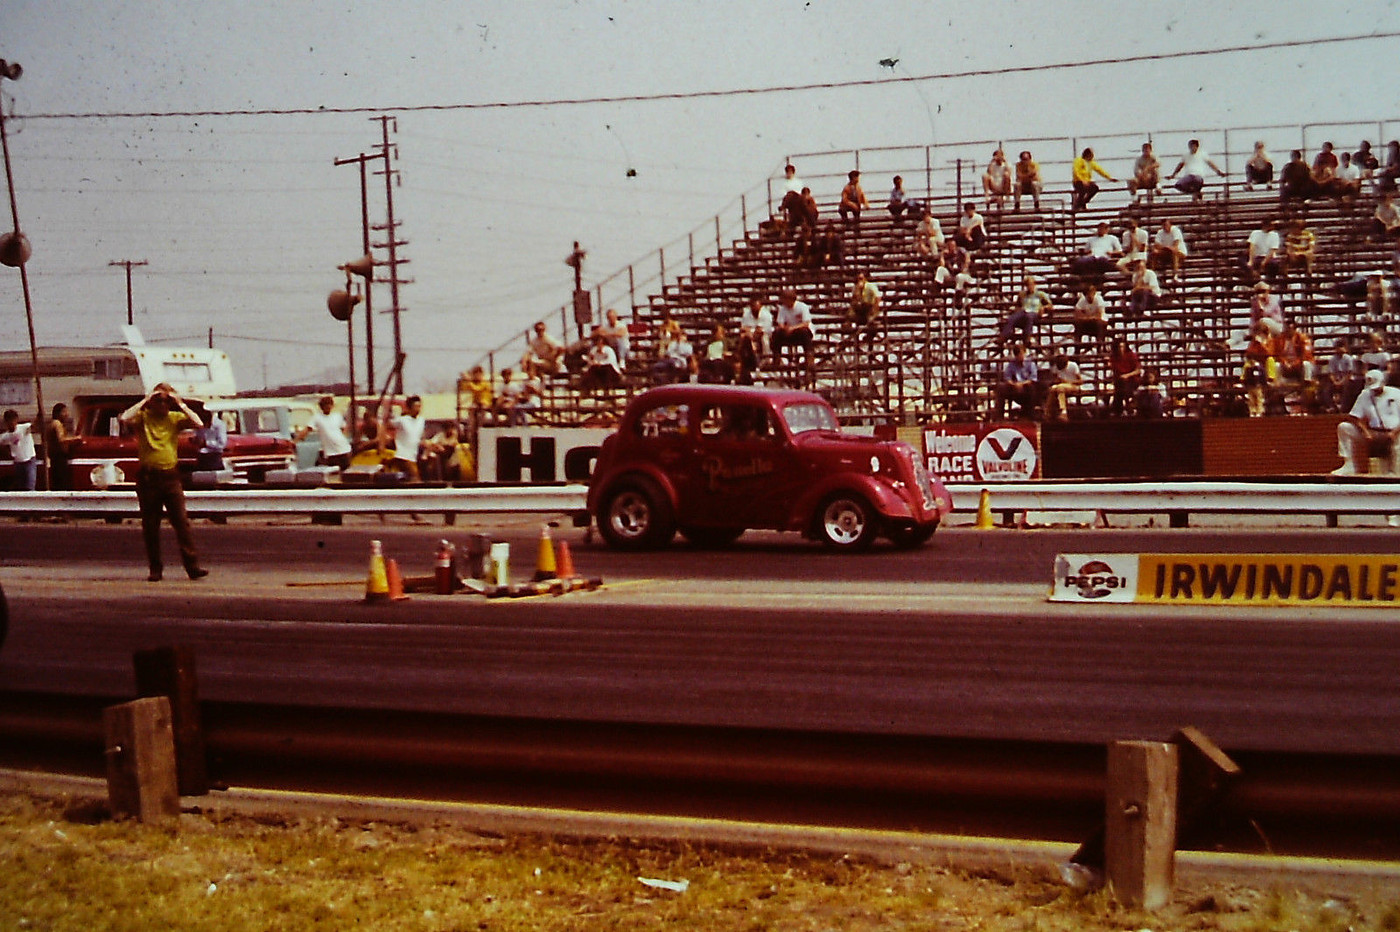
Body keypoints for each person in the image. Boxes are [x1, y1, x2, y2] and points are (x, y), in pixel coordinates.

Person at [119, 383, 207, 581]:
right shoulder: (143, 418)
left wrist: (180, 403)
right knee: (151, 525)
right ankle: (155, 568)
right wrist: (146, 399)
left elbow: (199, 423)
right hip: (149, 478)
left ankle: (192, 566)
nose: (163, 404)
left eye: (166, 401)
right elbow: (124, 418)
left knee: (182, 523)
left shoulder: (174, 419)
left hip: (170, 477)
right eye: (159, 400)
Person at [1336, 369, 1400, 475]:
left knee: (1393, 472)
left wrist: (1394, 433)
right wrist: (1366, 432)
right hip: (1373, 433)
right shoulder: (1365, 395)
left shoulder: (1397, 394)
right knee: (1344, 427)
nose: (1375, 391)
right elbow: (1355, 417)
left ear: (1383, 382)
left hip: (1395, 434)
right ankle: (1349, 466)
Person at [296, 394, 353, 470]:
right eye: (326, 405)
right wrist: (295, 440)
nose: (328, 407)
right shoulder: (317, 417)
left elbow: (344, 428)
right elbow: (307, 430)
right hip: (330, 453)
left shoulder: (337, 416)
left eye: (330, 404)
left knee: (346, 473)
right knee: (333, 475)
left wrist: (341, 438)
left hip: (344, 450)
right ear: (321, 407)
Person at [380, 394, 428, 481]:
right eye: (415, 406)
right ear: (409, 408)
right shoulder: (402, 420)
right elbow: (385, 426)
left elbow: (421, 436)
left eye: (419, 406)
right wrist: (382, 444)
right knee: (415, 478)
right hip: (403, 455)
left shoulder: (421, 420)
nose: (418, 409)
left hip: (414, 455)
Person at [993, 342, 1038, 420]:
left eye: (1021, 354)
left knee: (1031, 388)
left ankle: (1029, 415)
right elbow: (1007, 377)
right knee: (1001, 388)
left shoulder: (1030, 363)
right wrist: (1013, 384)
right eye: (1017, 355)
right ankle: (999, 417)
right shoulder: (1011, 364)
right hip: (1014, 387)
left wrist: (1022, 384)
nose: (1020, 357)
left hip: (1026, 387)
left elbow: (1033, 378)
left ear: (1024, 352)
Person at [1000, 275, 1050, 345]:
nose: (1030, 287)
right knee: (1011, 318)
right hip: (1023, 311)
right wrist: (1014, 309)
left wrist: (1044, 308)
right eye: (1028, 285)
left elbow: (1050, 305)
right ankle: (1004, 336)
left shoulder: (1040, 294)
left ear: (1035, 285)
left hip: (1034, 312)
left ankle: (1026, 338)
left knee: (1029, 317)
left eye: (1031, 284)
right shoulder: (1022, 294)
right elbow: (1018, 305)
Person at [772, 289, 814, 366]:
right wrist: (785, 328)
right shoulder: (783, 309)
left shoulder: (802, 307)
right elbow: (780, 323)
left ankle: (809, 357)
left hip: (800, 330)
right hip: (788, 331)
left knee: (805, 332)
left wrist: (793, 328)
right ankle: (776, 357)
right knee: (776, 333)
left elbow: (806, 323)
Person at [0, 409, 37, 492]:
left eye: (13, 420)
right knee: (21, 487)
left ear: (16, 420)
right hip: (18, 462)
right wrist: (8, 453)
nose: (11, 423)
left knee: (30, 485)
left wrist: (39, 416)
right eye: (9, 421)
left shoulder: (24, 428)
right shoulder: (5, 436)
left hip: (29, 460)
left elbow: (35, 426)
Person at [1071, 147, 1116, 211]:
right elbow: (1076, 171)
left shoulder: (1091, 163)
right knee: (1082, 190)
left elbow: (1100, 170)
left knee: (1095, 188)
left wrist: (1109, 178)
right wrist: (1081, 180)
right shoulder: (1078, 160)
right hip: (1078, 181)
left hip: (1087, 182)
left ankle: (1083, 202)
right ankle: (1078, 205)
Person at [1320, 342, 1360, 414]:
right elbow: (1331, 373)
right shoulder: (1333, 359)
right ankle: (1332, 407)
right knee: (1326, 390)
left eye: (1341, 347)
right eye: (1338, 347)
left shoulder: (1349, 359)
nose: (1340, 349)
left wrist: (1341, 382)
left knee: (1347, 388)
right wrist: (1335, 382)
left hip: (1348, 380)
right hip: (1336, 380)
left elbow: (1349, 373)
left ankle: (1344, 408)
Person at [1043, 352, 1083, 422]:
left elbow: (1080, 381)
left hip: (1073, 385)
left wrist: (1066, 381)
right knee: (1053, 389)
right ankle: (1048, 412)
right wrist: (1057, 381)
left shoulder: (1073, 366)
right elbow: (1055, 378)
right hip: (1060, 385)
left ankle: (1063, 412)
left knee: (1060, 388)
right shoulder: (1056, 367)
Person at [1108, 338, 1141, 416]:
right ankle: (1119, 411)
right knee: (1120, 388)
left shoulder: (1131, 355)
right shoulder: (1114, 357)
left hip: (1132, 380)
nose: (1120, 349)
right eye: (1119, 347)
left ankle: (1119, 410)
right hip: (1120, 381)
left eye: (1122, 347)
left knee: (1121, 390)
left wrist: (1127, 375)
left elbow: (1138, 370)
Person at [1072, 282, 1108, 354]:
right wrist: (1089, 318)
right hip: (1088, 322)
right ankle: (1077, 348)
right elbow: (1077, 315)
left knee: (1099, 324)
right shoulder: (1082, 301)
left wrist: (1086, 317)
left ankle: (1099, 347)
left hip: (1099, 322)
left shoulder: (1099, 300)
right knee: (1078, 324)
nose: (1090, 296)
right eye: (1088, 294)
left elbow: (1098, 315)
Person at [45, 402, 74, 491]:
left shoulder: (51, 424)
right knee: (63, 482)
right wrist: (76, 439)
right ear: (58, 413)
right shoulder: (57, 424)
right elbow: (61, 439)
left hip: (54, 456)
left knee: (57, 481)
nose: (67, 414)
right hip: (59, 457)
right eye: (64, 412)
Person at [192, 404, 227, 472]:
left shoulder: (219, 425)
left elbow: (222, 444)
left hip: (214, 457)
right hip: (202, 456)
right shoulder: (199, 424)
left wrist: (206, 443)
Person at [739, 296, 773, 361]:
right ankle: (746, 360)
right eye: (753, 306)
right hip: (750, 335)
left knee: (764, 338)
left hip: (765, 335)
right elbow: (743, 328)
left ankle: (767, 358)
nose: (755, 308)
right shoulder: (746, 314)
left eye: (757, 306)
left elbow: (762, 330)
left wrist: (751, 331)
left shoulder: (766, 314)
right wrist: (750, 332)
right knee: (744, 337)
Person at [849, 271, 880, 335]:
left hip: (870, 307)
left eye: (861, 278)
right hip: (861, 308)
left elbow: (878, 297)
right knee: (851, 311)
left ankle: (871, 331)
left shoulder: (871, 286)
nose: (859, 281)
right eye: (858, 279)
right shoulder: (855, 287)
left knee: (870, 318)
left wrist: (875, 307)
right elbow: (853, 299)